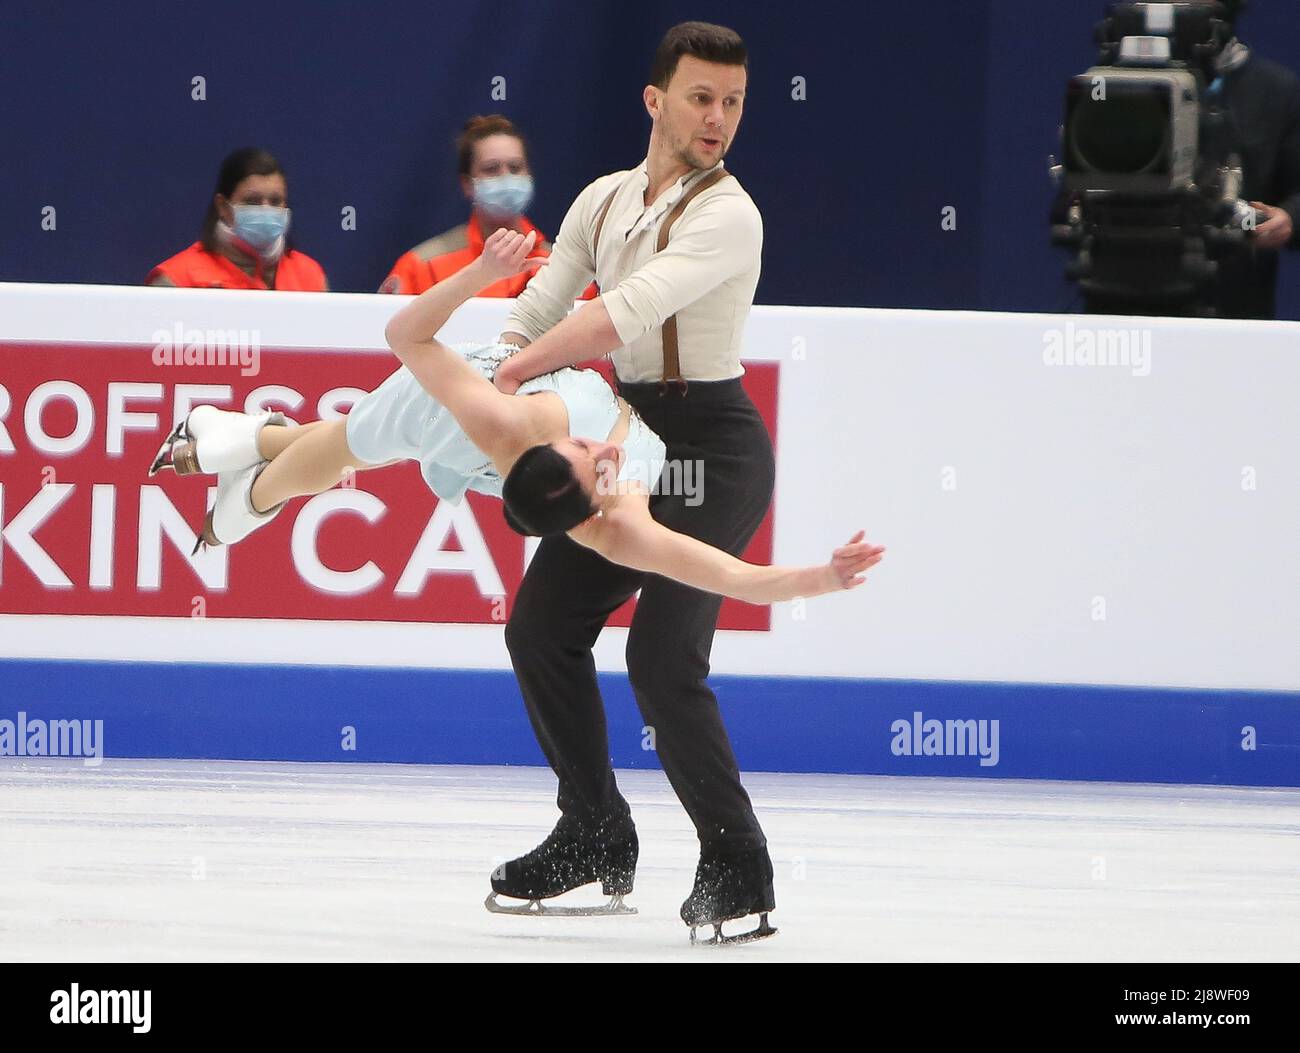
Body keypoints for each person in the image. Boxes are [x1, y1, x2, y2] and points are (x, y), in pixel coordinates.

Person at [150, 228, 884, 623]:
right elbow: (735, 577)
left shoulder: (523, 436)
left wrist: (478, 272)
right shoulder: (570, 478)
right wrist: (824, 577)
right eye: (586, 453)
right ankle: (242, 476)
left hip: (454, 407)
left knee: (348, 443)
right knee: (345, 445)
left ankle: (237, 488)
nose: (599, 447)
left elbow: (408, 338)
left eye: (580, 448)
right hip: (449, 415)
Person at [486, 22, 782, 941]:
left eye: (733, 101)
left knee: (660, 657)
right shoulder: (602, 200)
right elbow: (539, 304)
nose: (719, 117)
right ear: (655, 101)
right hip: (633, 434)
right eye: (701, 96)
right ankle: (594, 832)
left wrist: (509, 374)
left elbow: (622, 313)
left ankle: (738, 862)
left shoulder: (730, 213)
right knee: (541, 626)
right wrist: (489, 363)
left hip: (715, 449)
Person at [379, 114, 592, 300]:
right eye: (491, 169)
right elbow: (382, 338)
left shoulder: (562, 265)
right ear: (467, 184)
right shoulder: (422, 265)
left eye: (515, 168)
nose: (506, 177)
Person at [147, 148, 328, 292]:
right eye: (252, 201)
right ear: (223, 207)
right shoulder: (178, 280)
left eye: (275, 201)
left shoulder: (310, 277)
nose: (266, 210)